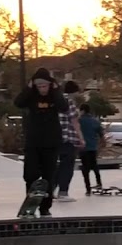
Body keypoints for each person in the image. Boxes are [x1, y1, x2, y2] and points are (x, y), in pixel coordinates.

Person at [13, 68, 68, 216]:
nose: (42, 89)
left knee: (48, 176)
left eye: (45, 86)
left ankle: (45, 207)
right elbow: (18, 103)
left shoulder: (54, 97)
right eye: (39, 86)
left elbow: (64, 107)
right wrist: (28, 88)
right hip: (33, 142)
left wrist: (56, 90)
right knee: (30, 175)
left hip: (51, 142)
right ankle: (30, 201)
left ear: (50, 85)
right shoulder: (31, 97)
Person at [55, 81, 83, 201]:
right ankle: (63, 192)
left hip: (56, 138)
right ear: (74, 91)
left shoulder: (56, 100)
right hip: (68, 138)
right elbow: (74, 121)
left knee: (58, 166)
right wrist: (81, 138)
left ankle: (51, 190)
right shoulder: (69, 102)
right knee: (67, 166)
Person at [77, 103, 104, 194]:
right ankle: (99, 183)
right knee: (95, 166)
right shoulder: (95, 121)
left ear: (82, 110)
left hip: (83, 148)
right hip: (93, 147)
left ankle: (88, 188)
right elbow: (101, 134)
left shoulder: (79, 121)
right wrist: (101, 143)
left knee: (85, 169)